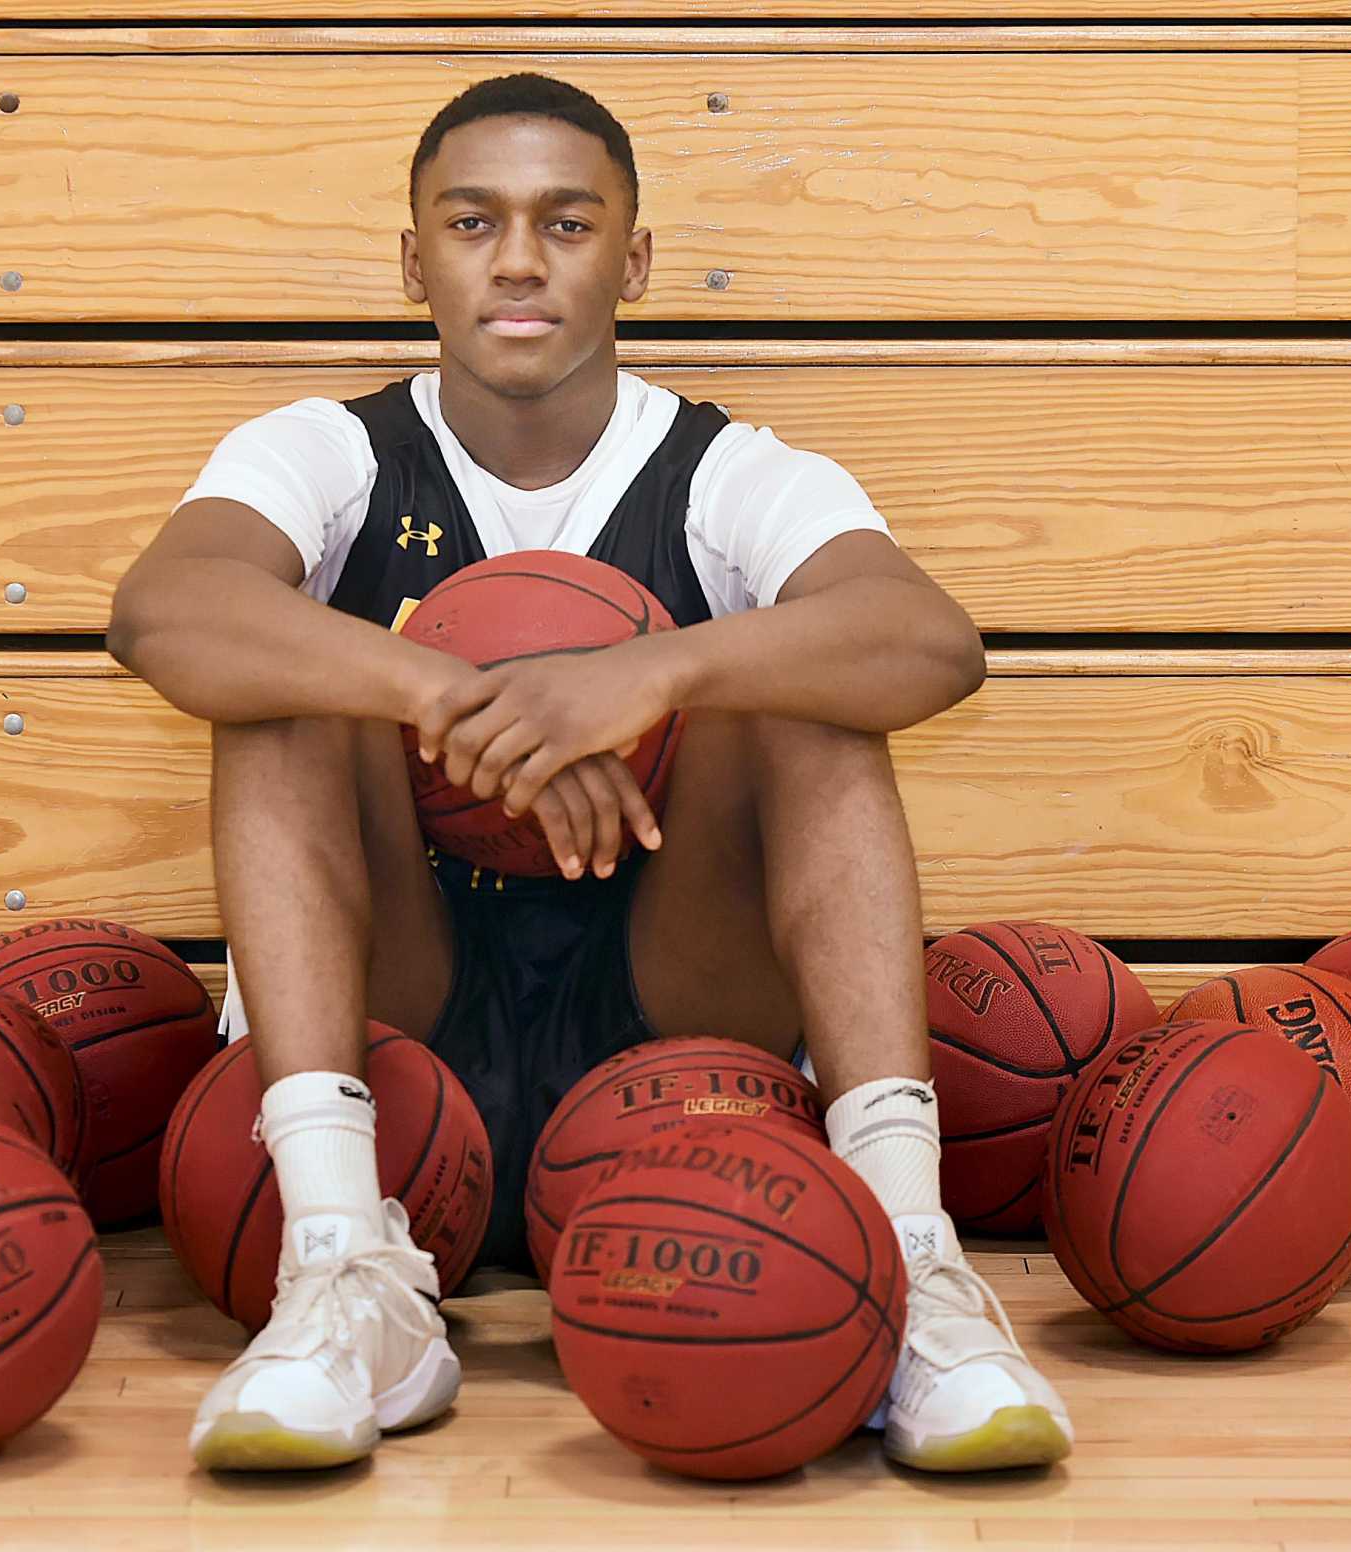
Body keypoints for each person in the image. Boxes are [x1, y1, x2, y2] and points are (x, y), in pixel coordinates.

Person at [106, 70, 1073, 1477]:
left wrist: (656, 674)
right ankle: (342, 1264)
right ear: (414, 262)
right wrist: (458, 698)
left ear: (634, 260)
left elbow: (929, 642)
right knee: (276, 669)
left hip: (670, 1018)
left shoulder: (727, 471)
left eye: (566, 224)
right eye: (472, 222)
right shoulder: (327, 450)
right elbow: (161, 614)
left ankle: (909, 1262)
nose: (517, 260)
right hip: (405, 1024)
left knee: (811, 680)